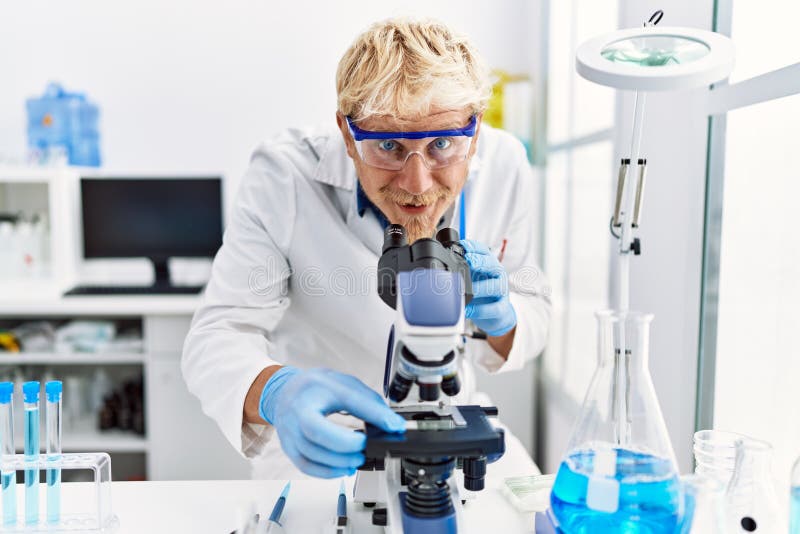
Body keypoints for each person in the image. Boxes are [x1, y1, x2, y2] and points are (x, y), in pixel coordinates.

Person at [182, 17, 551, 480]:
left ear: (475, 134)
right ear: (347, 133)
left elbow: (534, 309)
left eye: (442, 143)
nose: (417, 185)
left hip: (451, 415)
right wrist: (280, 393)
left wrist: (506, 314)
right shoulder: (285, 174)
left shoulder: (506, 164)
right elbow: (216, 334)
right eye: (390, 147)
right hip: (328, 435)